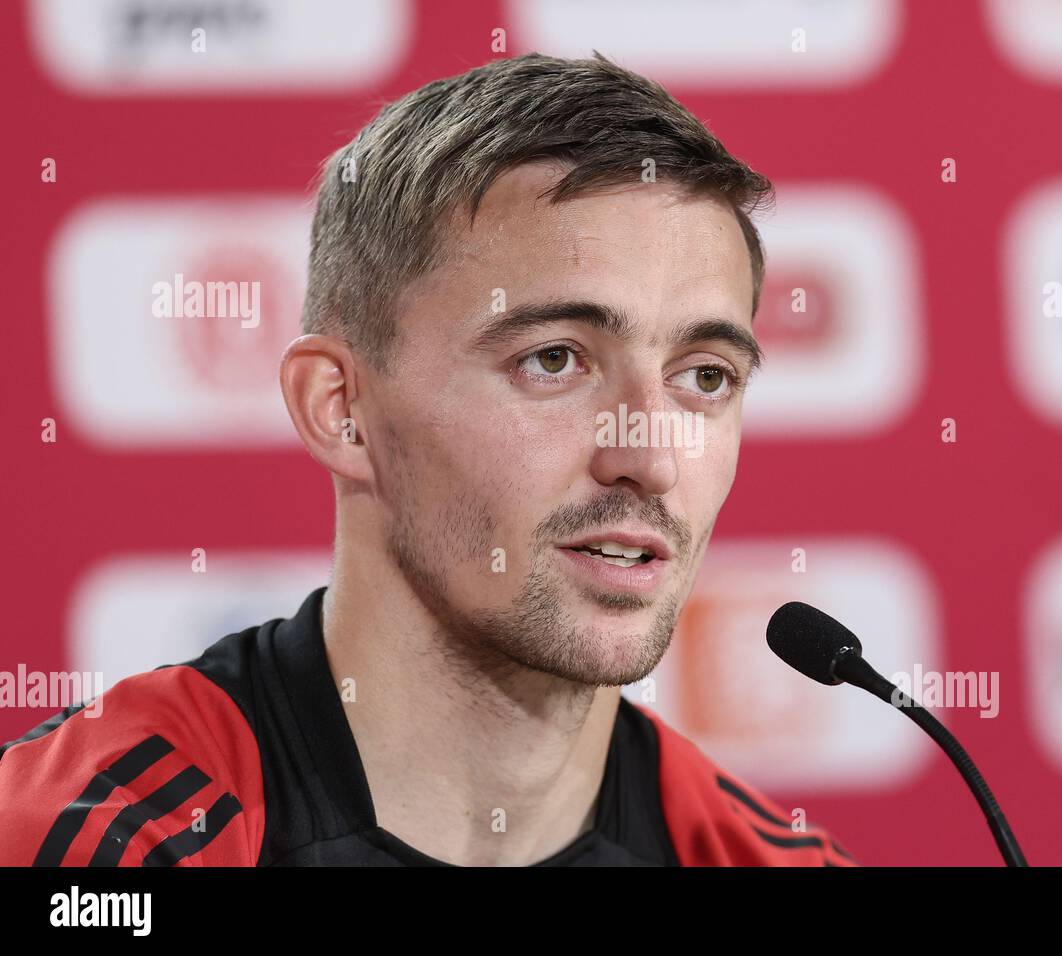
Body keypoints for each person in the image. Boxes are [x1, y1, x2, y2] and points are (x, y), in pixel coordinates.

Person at [0, 51, 857, 867]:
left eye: (705, 376)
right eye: (553, 360)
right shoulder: (81, 843)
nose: (650, 458)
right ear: (340, 409)